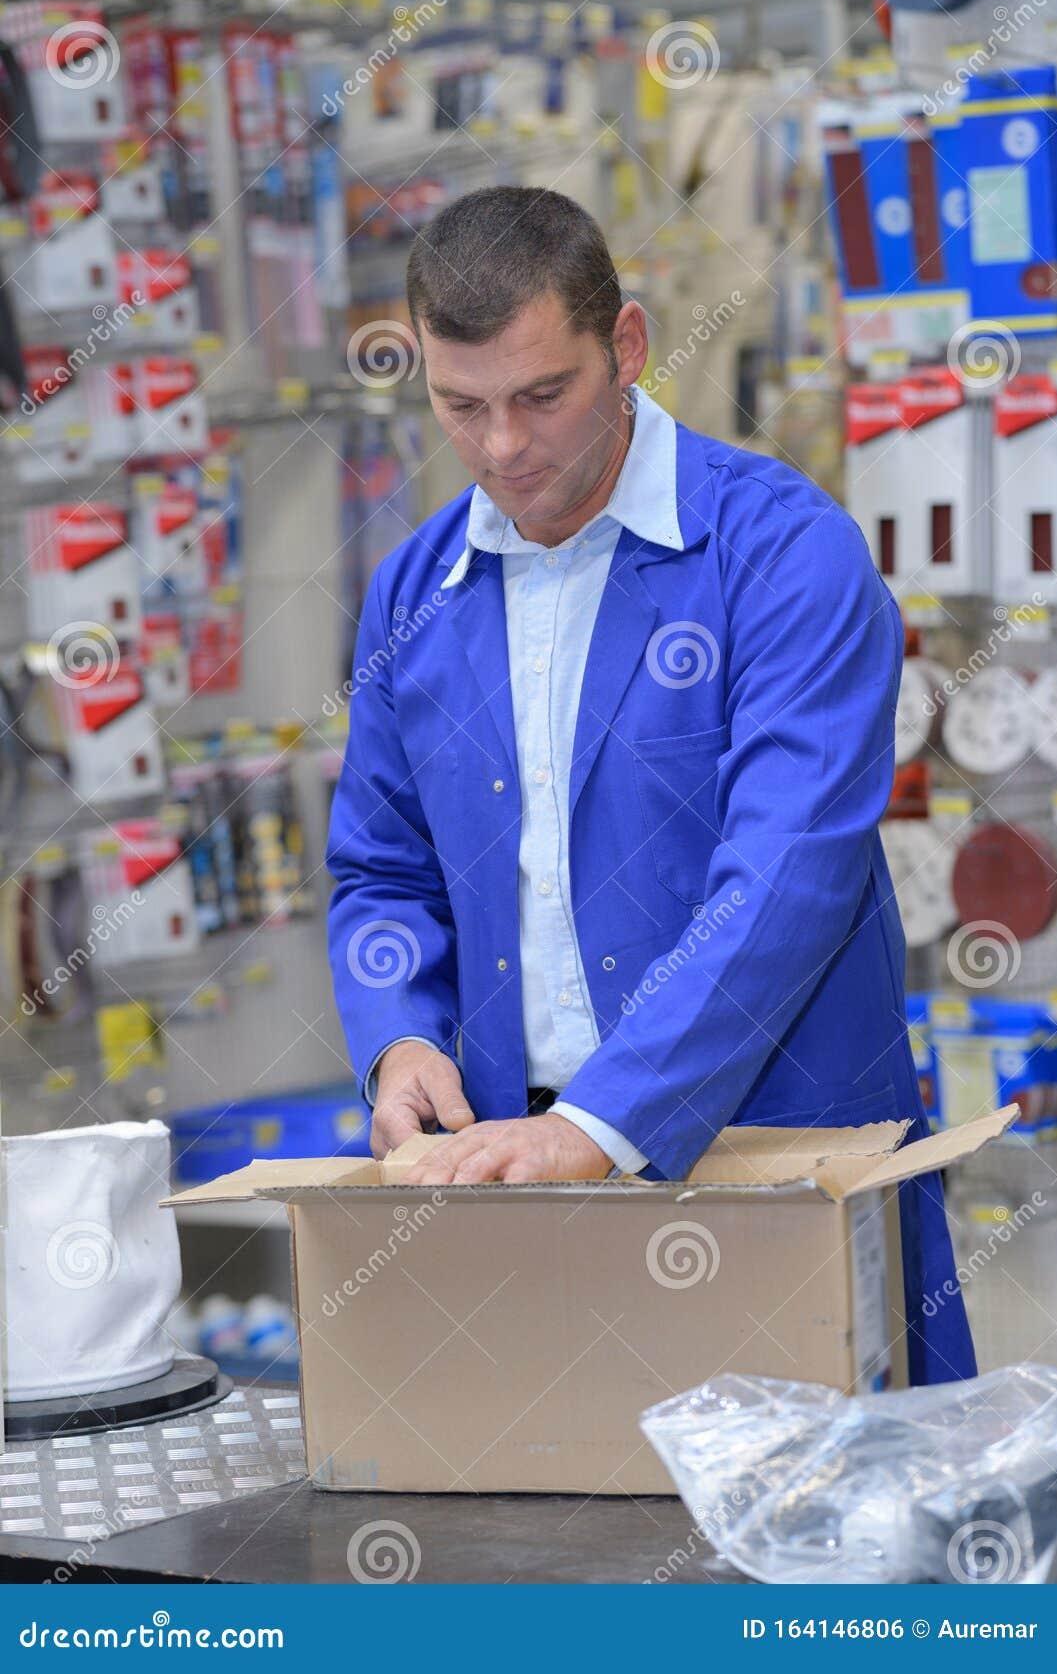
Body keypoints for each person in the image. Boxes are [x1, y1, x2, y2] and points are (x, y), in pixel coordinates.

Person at [325, 185, 975, 1385]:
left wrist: (598, 1122)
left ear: (624, 347)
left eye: (540, 396)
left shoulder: (780, 554)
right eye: (458, 407)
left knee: (831, 1552)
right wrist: (398, 1038)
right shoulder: (416, 593)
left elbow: (789, 876)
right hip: (513, 1177)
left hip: (777, 1163)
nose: (503, 447)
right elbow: (382, 867)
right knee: (551, 1544)